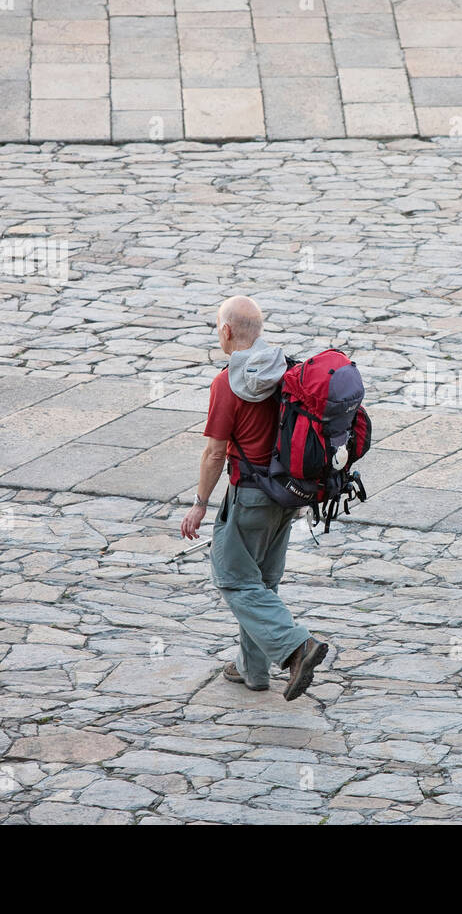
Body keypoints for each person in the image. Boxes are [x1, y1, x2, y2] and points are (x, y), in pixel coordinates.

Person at [180, 295, 329, 701]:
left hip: (249, 495)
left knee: (234, 579)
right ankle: (253, 670)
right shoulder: (285, 372)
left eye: (217, 326)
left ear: (226, 331)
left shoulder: (227, 382)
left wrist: (199, 502)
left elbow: (214, 452)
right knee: (261, 583)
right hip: (288, 494)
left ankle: (298, 647)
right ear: (258, 331)